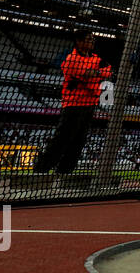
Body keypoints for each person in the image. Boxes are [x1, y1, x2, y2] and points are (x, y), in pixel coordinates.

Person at [35, 29, 111, 175]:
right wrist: (97, 75)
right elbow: (87, 75)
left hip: (90, 104)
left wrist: (95, 74)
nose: (92, 42)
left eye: (92, 40)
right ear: (79, 41)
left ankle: (64, 171)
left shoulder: (96, 58)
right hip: (74, 105)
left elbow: (108, 71)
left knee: (79, 141)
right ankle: (42, 169)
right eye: (88, 40)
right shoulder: (72, 59)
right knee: (62, 139)